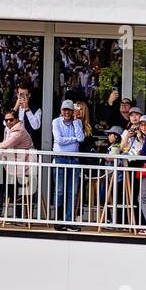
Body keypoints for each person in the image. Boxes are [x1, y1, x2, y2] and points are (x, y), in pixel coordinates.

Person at [51, 98, 85, 230]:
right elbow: (58, 140)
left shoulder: (77, 122)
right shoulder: (56, 121)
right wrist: (74, 139)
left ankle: (69, 220)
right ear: (61, 110)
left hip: (74, 159)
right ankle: (59, 220)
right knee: (60, 191)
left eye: (69, 110)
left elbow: (81, 138)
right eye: (65, 110)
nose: (67, 112)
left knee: (73, 191)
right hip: (60, 158)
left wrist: (76, 121)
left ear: (72, 112)